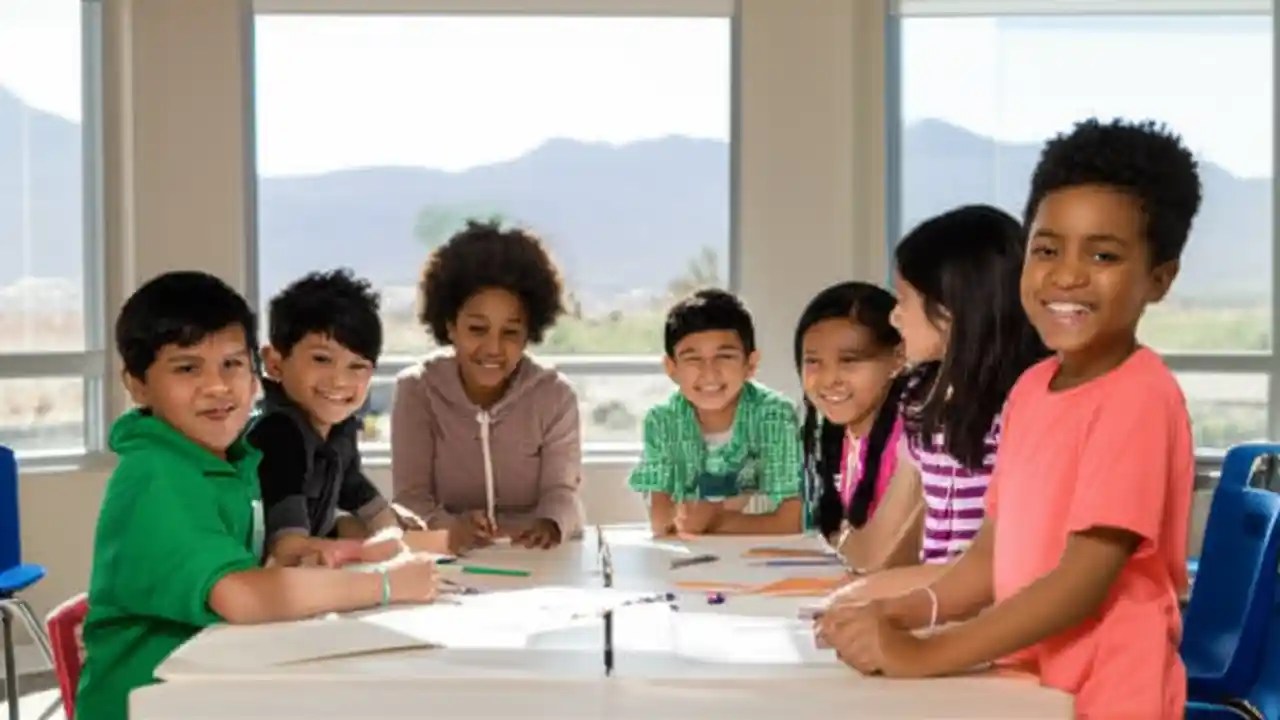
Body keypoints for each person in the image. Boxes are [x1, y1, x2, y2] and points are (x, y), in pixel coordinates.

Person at [818, 118, 1200, 719]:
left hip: (1107, 693)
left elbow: (1082, 583)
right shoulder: (1030, 389)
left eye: (1103, 254)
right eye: (1046, 249)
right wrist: (904, 612)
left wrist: (925, 654)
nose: (1067, 275)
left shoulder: (1139, 397)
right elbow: (989, 561)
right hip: (1025, 679)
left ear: (1159, 278)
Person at [76, 271, 439, 720]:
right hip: (149, 705)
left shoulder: (230, 459)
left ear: (254, 374)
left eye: (231, 364)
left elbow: (262, 567)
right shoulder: (157, 474)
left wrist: (331, 555)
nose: (217, 385)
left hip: (212, 685)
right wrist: (384, 585)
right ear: (137, 384)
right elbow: (241, 596)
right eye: (188, 368)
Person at [836, 204, 1049, 599]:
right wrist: (863, 579)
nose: (895, 317)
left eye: (903, 300)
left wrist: (876, 589)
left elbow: (1003, 566)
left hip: (986, 614)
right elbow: (905, 526)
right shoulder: (921, 395)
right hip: (931, 605)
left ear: (951, 311)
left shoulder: (1023, 406)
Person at [391, 220, 584, 553]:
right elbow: (411, 500)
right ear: (450, 325)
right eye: (477, 329)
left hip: (536, 560)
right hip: (451, 560)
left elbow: (562, 493)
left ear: (530, 331)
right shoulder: (417, 390)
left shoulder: (555, 395)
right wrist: (450, 530)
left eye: (511, 332)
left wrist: (550, 525)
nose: (494, 348)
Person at [250, 269, 408, 566]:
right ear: (274, 362)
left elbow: (355, 489)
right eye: (321, 359)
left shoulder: (338, 429)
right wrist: (370, 553)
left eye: (357, 366)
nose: (339, 381)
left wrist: (390, 529)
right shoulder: (278, 431)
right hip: (261, 582)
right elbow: (289, 547)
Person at [629, 288, 804, 536]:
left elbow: (790, 522)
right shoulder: (662, 421)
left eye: (725, 357)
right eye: (693, 359)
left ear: (751, 364)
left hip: (763, 558)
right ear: (671, 368)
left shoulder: (774, 415)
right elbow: (661, 522)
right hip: (692, 562)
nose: (709, 373)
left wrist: (712, 519)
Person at [795, 281, 920, 571]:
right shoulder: (839, 433)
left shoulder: (913, 433)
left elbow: (874, 557)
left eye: (849, 361)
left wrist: (848, 543)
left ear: (898, 357)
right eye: (813, 362)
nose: (829, 380)